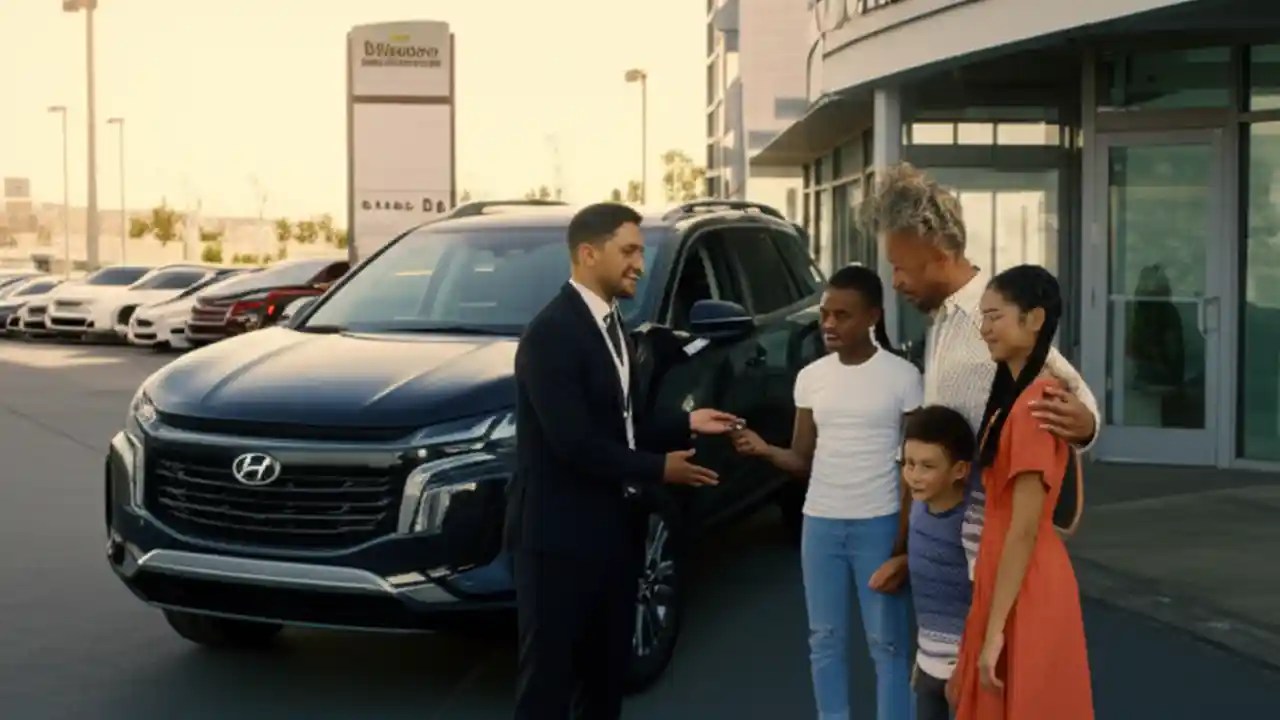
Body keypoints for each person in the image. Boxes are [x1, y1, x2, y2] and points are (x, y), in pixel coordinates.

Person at [505, 202, 741, 720]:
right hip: (558, 543)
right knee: (547, 688)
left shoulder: (614, 327)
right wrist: (662, 469)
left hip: (615, 533)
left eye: (640, 250)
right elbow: (575, 444)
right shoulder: (550, 336)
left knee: (604, 682)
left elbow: (623, 429)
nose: (639, 262)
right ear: (589, 254)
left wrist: (686, 424)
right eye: (628, 251)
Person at [862, 162, 1100, 579]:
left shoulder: (986, 317)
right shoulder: (947, 317)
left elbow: (1076, 395)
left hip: (989, 545)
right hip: (954, 539)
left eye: (901, 267)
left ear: (939, 256)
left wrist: (1083, 424)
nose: (895, 282)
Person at [732, 264, 921, 720]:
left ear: (872, 317)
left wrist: (902, 542)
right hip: (820, 525)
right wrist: (762, 450)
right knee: (825, 640)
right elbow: (801, 460)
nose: (830, 324)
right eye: (825, 314)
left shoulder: (902, 377)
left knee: (888, 643)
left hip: (878, 523)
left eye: (843, 315)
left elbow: (913, 471)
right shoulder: (811, 377)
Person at [948, 265, 1094, 719]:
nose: (985, 328)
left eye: (995, 316)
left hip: (1024, 579)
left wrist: (994, 633)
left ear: (1033, 319)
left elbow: (1025, 527)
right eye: (983, 317)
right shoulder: (1014, 393)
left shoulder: (1034, 403)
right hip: (1009, 572)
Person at [900, 406, 977, 720]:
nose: (914, 476)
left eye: (927, 466)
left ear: (959, 470)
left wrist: (966, 669)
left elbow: (985, 596)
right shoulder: (920, 508)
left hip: (963, 672)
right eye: (909, 463)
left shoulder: (971, 524)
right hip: (928, 665)